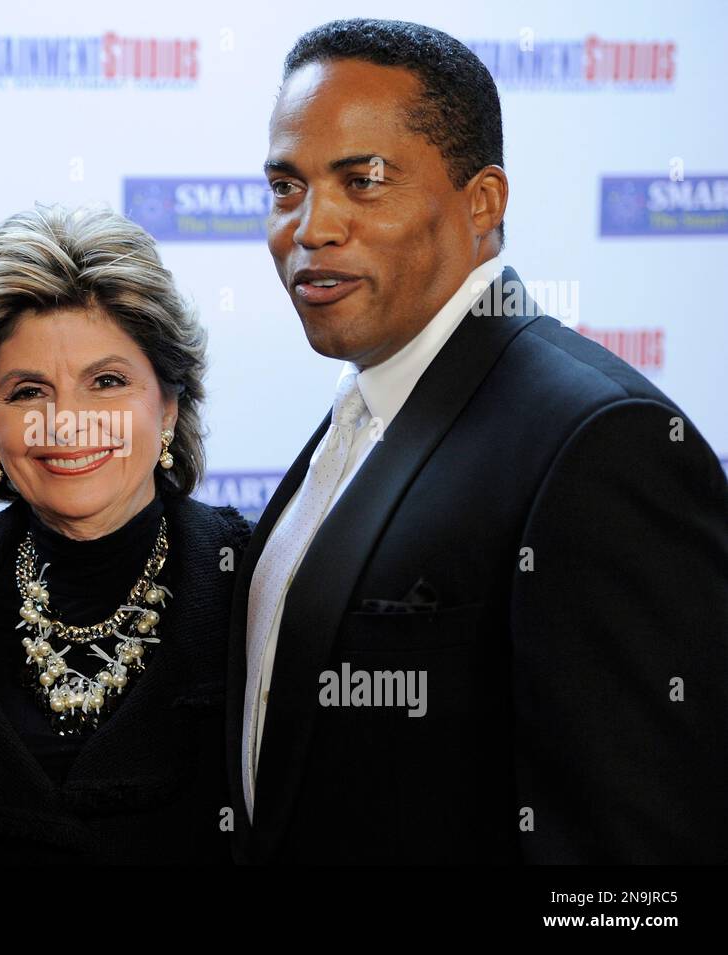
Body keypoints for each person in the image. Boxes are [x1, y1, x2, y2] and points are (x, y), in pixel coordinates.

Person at [229, 19, 728, 864]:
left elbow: (641, 871)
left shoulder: (603, 443)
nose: (311, 227)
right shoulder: (375, 397)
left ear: (483, 202)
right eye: (287, 186)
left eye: (363, 181)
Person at [0, 205, 249, 864]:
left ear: (167, 404)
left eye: (106, 382)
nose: (69, 423)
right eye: (28, 391)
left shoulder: (255, 586)